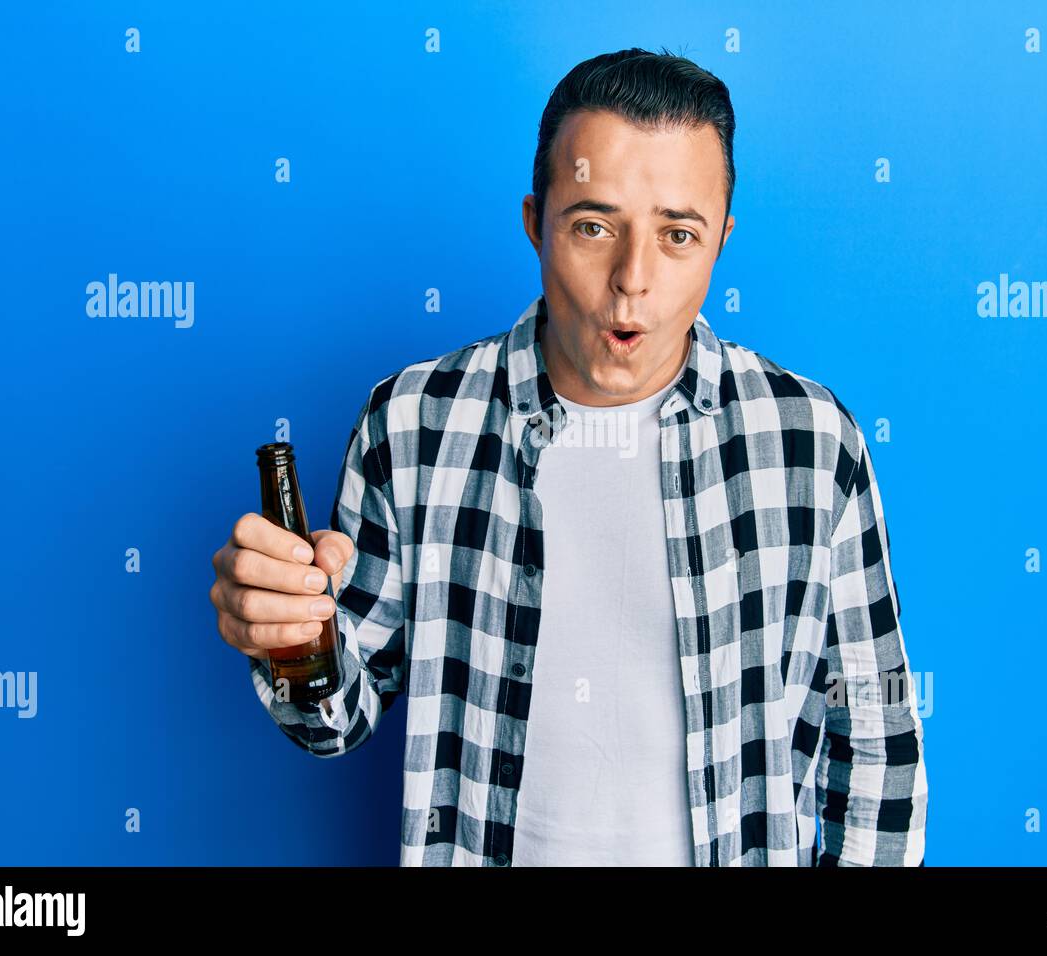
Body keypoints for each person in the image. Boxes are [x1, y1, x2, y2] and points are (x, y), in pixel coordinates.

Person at [209, 46, 927, 867]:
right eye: (593, 226)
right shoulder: (412, 422)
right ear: (536, 222)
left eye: (678, 235)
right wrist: (286, 634)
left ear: (721, 241)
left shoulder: (811, 441)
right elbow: (333, 720)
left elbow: (875, 731)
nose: (633, 280)